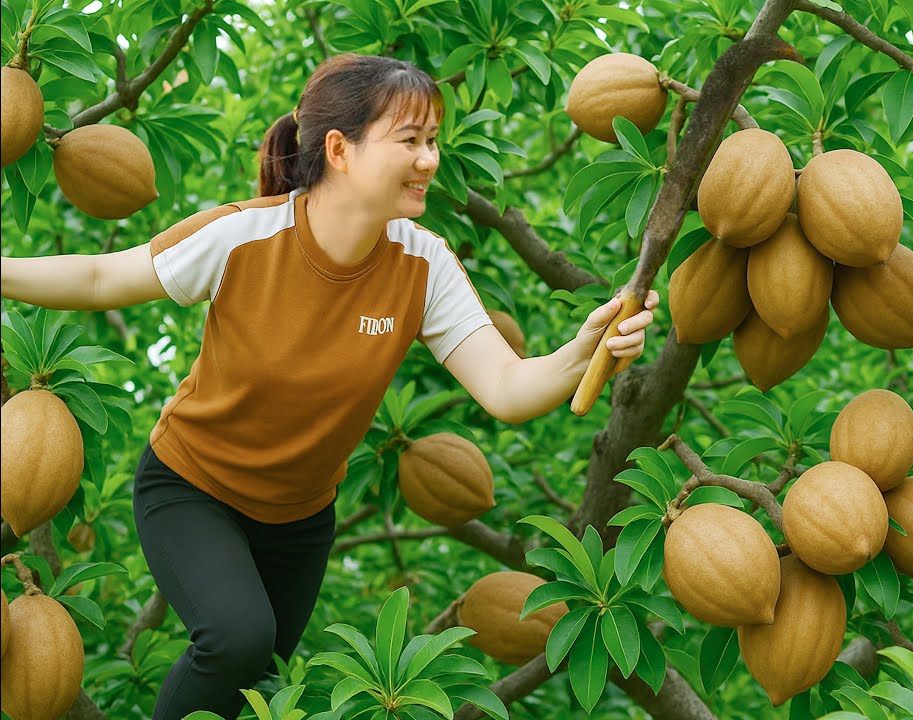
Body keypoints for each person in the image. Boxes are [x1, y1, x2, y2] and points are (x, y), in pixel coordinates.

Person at [0, 53, 658, 719]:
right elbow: (98, 278)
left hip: (299, 520)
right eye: (410, 141)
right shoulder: (246, 235)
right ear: (341, 150)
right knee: (238, 640)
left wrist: (582, 351)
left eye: (432, 141)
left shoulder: (421, 263)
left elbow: (507, 388)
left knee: (265, 687)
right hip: (192, 489)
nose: (429, 158)